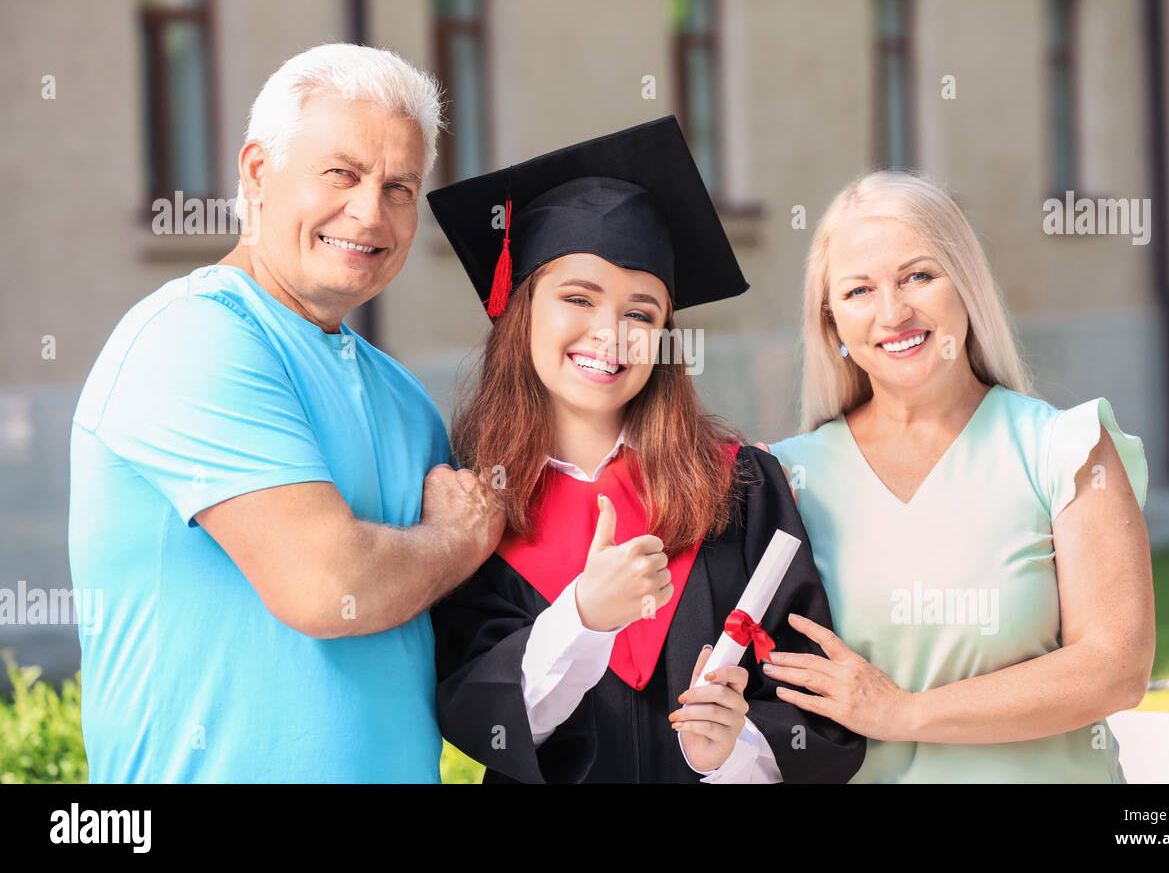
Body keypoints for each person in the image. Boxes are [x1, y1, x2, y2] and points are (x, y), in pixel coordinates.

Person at [68, 44, 504, 782]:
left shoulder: (403, 398)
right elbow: (329, 586)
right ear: (258, 173)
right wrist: (459, 539)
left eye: (400, 187)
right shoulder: (192, 338)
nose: (370, 212)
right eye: (341, 172)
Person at [426, 117, 866, 783]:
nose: (610, 333)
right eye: (578, 297)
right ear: (522, 309)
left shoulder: (741, 489)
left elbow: (817, 713)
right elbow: (478, 716)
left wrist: (734, 748)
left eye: (641, 312)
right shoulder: (472, 507)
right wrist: (582, 618)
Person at [764, 170, 1155, 783]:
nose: (892, 312)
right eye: (859, 290)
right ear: (832, 321)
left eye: (918, 275)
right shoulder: (784, 479)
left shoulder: (1066, 449)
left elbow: (1117, 668)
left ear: (966, 286)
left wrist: (906, 713)